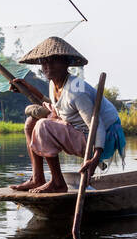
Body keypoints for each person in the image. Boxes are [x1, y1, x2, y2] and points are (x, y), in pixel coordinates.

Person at [7, 36, 125, 193]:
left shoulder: (76, 90)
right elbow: (57, 106)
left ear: (66, 63)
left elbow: (96, 125)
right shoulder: (53, 83)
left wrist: (95, 158)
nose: (47, 66)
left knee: (43, 126)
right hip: (83, 133)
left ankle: (57, 183)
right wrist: (26, 88)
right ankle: (37, 178)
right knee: (31, 123)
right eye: (44, 61)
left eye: (53, 60)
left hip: (103, 139)